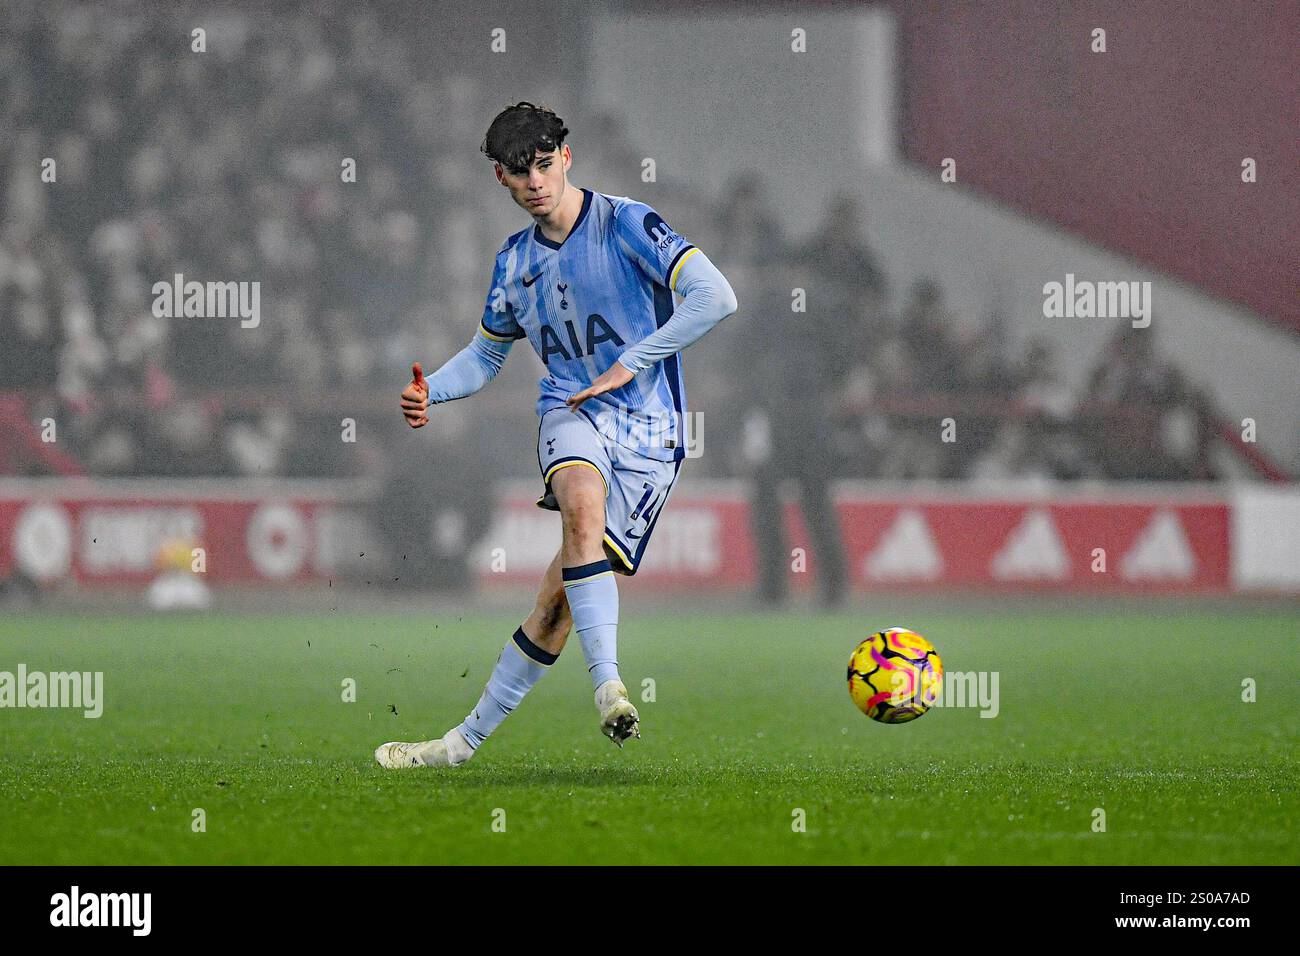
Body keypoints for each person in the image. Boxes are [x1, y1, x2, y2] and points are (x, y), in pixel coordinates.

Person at [375, 103, 737, 769]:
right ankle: (610, 689)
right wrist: (433, 391)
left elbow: (714, 297)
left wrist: (631, 362)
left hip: (651, 435)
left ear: (566, 158)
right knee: (579, 504)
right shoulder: (513, 264)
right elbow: (486, 358)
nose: (536, 180)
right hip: (570, 411)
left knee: (553, 611)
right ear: (501, 180)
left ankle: (458, 747)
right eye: (521, 172)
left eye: (545, 164)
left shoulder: (627, 224)